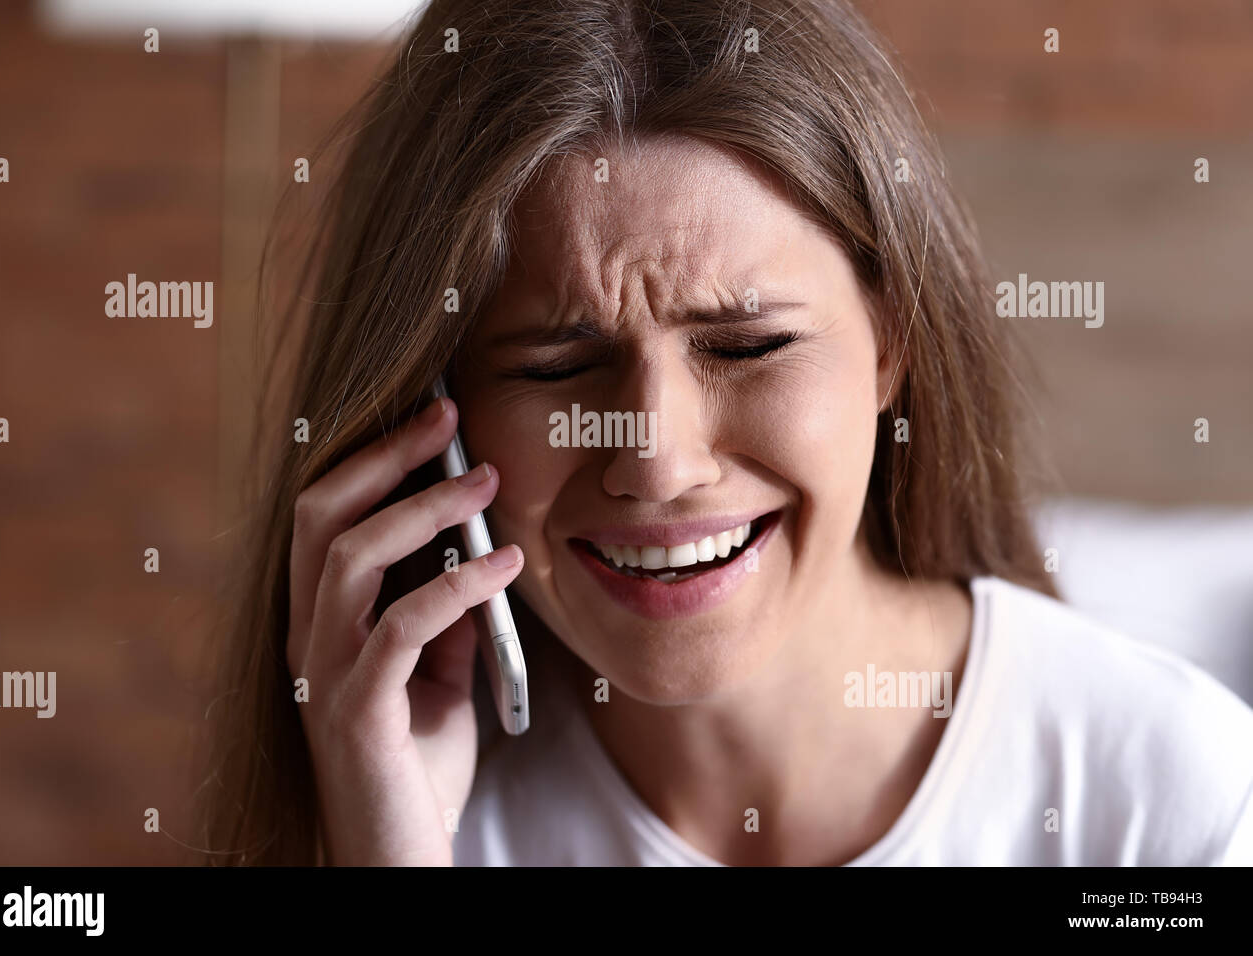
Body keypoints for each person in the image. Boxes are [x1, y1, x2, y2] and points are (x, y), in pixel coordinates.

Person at [201, 0, 1253, 866]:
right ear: (434, 413)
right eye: (556, 367)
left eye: (746, 346)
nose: (658, 462)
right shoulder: (410, 800)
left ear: (893, 340)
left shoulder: (1167, 805)